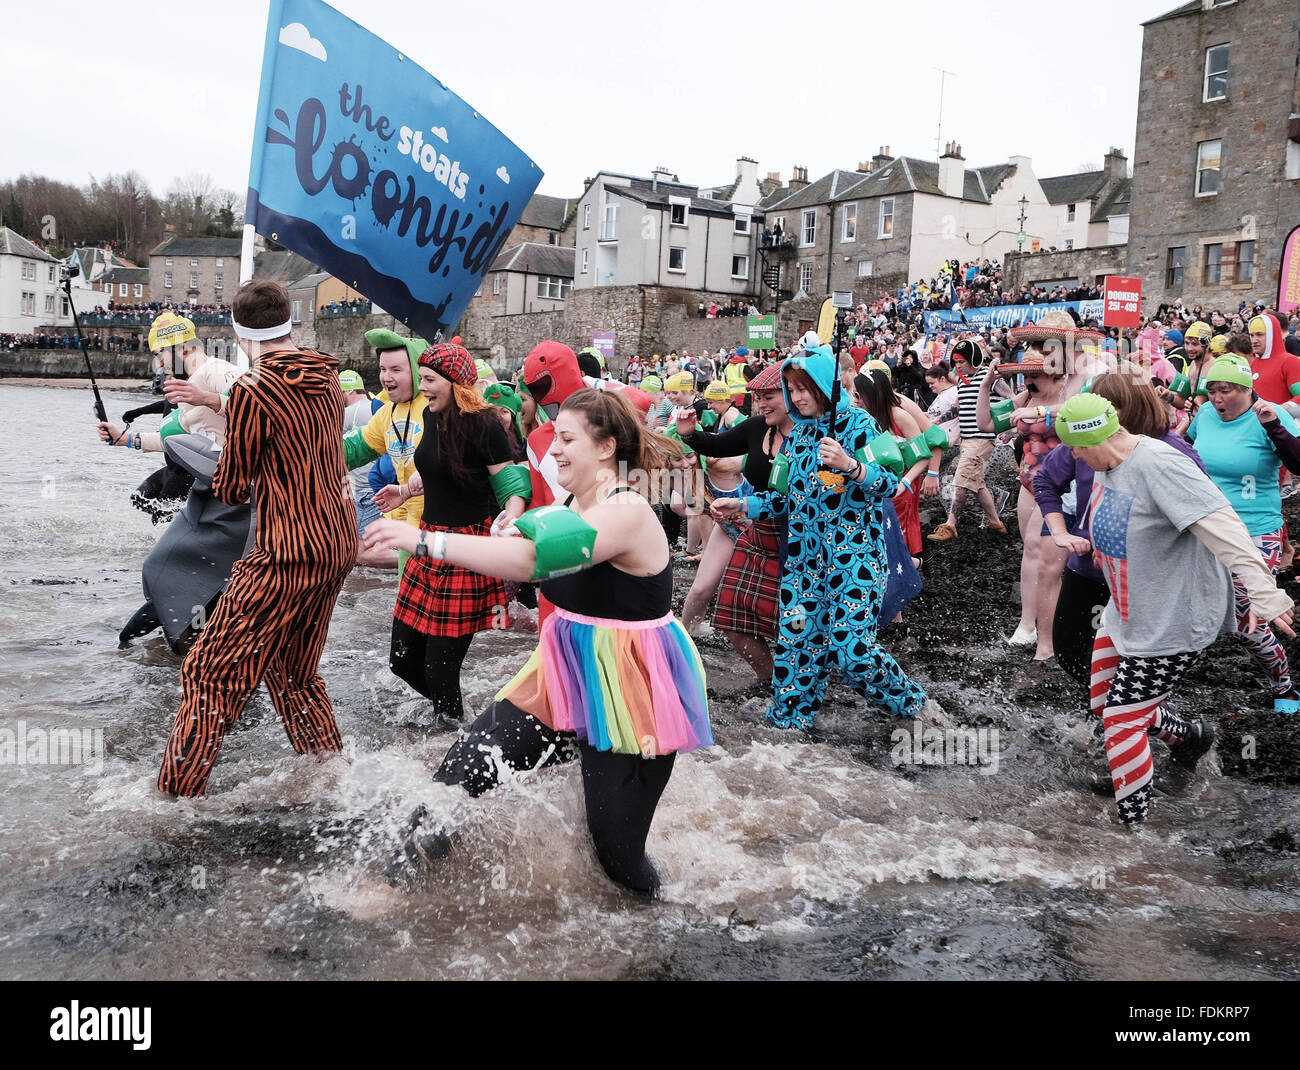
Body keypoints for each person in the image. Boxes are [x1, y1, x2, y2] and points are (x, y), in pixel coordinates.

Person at [366, 388, 710, 896]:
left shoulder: (628, 510)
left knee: (617, 856)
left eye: (569, 440)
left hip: (633, 688)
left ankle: (668, 917)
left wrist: (424, 541)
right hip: (562, 674)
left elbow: (534, 562)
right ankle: (389, 893)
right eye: (557, 439)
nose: (555, 451)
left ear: (607, 446)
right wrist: (505, 532)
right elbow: (528, 555)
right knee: (458, 775)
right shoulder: (574, 500)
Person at [1052, 393, 1294, 826]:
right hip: (1127, 610)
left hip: (1172, 621)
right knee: (1104, 702)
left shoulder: (1160, 465)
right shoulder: (1109, 462)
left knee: (1121, 725)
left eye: (1073, 447)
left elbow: (1224, 526)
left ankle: (1133, 832)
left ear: (1094, 440)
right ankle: (1190, 737)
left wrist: (1265, 592)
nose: (1071, 456)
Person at [157, 280, 358, 797]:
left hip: (286, 550)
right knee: (294, 674)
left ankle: (175, 801)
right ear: (287, 322)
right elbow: (297, 442)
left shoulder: (253, 390)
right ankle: (332, 778)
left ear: (240, 333)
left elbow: (231, 484)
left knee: (207, 672)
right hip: (336, 542)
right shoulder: (325, 375)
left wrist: (201, 445)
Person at [712, 345, 928, 729]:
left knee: (853, 650)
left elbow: (890, 484)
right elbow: (783, 501)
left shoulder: (860, 425)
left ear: (823, 386)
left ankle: (913, 706)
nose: (795, 397)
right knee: (796, 650)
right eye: (790, 389)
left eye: (803, 388)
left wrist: (851, 466)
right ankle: (789, 727)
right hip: (803, 567)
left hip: (854, 561)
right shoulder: (795, 438)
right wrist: (742, 506)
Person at [374, 342, 530, 724]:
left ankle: (449, 740)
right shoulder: (431, 416)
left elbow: (510, 484)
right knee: (401, 660)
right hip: (427, 547)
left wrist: (511, 516)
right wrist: (405, 490)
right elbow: (437, 469)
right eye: (422, 378)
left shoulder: (485, 425)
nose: (423, 387)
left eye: (429, 380)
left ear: (455, 383)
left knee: (440, 670)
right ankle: (464, 719)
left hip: (466, 549)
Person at [1035, 369, 1206, 686]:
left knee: (1129, 668)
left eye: (1109, 407)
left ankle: (1130, 724)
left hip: (1146, 579)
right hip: (1088, 567)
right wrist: (1060, 532)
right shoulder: (1088, 438)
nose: (1100, 415)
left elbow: (1204, 514)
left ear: (1131, 406)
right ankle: (1121, 718)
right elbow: (1045, 480)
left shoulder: (1171, 450)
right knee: (1071, 652)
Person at [1187, 356, 1300, 712]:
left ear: (1246, 389)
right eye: (1212, 390)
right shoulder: (1204, 416)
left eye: (1226, 390)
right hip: (1206, 525)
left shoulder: (1269, 415)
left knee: (1245, 620)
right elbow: (1182, 451)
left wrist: (1275, 429)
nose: (1218, 398)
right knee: (1186, 606)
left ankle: (1284, 686)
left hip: (1255, 529)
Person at [677, 362, 791, 680]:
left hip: (796, 536)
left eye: (770, 395)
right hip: (748, 523)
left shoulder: (813, 435)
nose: (761, 402)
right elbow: (717, 446)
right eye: (757, 396)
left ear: (793, 395)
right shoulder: (757, 428)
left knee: (794, 624)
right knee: (725, 611)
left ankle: (795, 683)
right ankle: (768, 681)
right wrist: (690, 434)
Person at [97, 311, 240, 453]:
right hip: (212, 471)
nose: (159, 364)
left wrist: (207, 399)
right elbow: (175, 440)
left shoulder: (216, 370)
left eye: (159, 355)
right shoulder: (190, 384)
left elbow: (256, 407)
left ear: (183, 348)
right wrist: (123, 439)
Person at [928, 339, 1008, 541]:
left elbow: (1011, 399)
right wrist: (938, 420)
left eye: (962, 361)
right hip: (967, 439)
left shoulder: (989, 377)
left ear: (974, 359)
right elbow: (958, 407)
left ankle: (950, 524)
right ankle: (995, 521)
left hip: (982, 439)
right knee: (977, 483)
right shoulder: (962, 382)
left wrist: (1008, 428)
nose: (958, 366)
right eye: (955, 362)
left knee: (961, 481)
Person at [341, 370, 397, 569]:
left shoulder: (347, 413)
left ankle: (415, 559)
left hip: (357, 491)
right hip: (383, 487)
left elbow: (339, 452)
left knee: (356, 552)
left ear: (346, 392)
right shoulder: (380, 407)